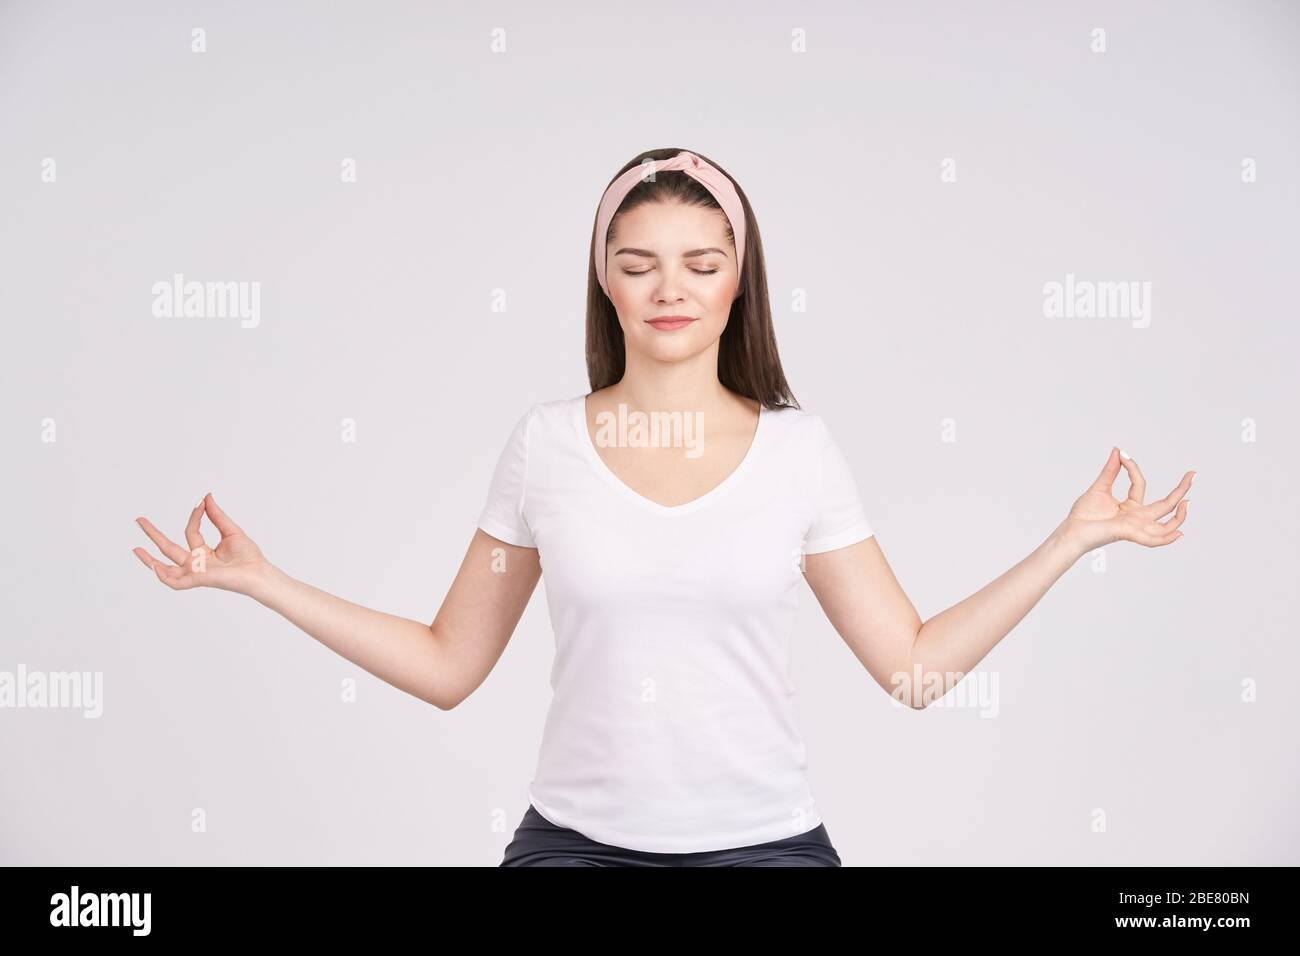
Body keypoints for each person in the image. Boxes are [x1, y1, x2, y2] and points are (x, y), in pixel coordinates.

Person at [132, 148, 1194, 867]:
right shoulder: (544, 446)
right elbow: (449, 665)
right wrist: (263, 581)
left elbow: (911, 665)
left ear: (738, 284)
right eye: (637, 264)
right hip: (574, 848)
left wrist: (1072, 539)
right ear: (606, 280)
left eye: (700, 263)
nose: (669, 288)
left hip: (767, 848)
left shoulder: (798, 452)